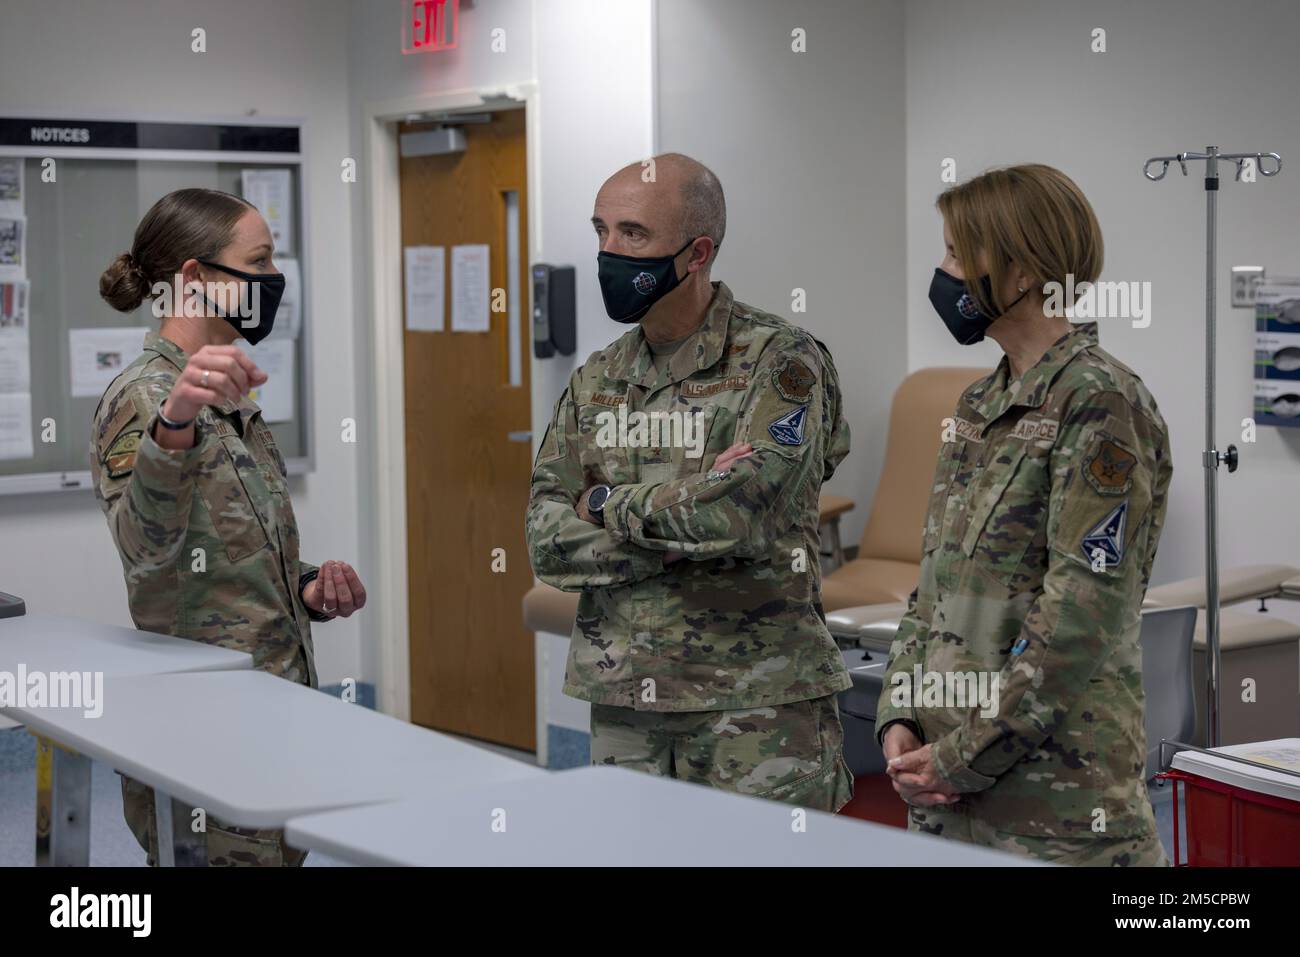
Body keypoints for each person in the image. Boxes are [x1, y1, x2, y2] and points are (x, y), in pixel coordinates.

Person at [525, 153, 854, 811]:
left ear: (697, 251)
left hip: (753, 704)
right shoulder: (599, 378)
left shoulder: (781, 361)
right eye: (600, 230)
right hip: (626, 702)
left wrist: (606, 502)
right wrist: (673, 530)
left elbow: (738, 514)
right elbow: (544, 536)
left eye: (633, 234)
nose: (608, 251)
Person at [875, 164, 1172, 866]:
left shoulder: (1100, 402)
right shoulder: (981, 403)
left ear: (1022, 269)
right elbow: (934, 587)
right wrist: (902, 713)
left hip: (1056, 804)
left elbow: (1077, 618)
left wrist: (965, 756)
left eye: (957, 253)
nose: (943, 272)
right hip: (948, 793)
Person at [92, 187, 367, 866]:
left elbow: (222, 555)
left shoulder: (228, 392)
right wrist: (174, 423)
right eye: (261, 260)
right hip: (204, 732)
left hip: (272, 710)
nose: (274, 280)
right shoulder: (147, 398)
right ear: (193, 278)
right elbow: (145, 551)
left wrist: (305, 587)